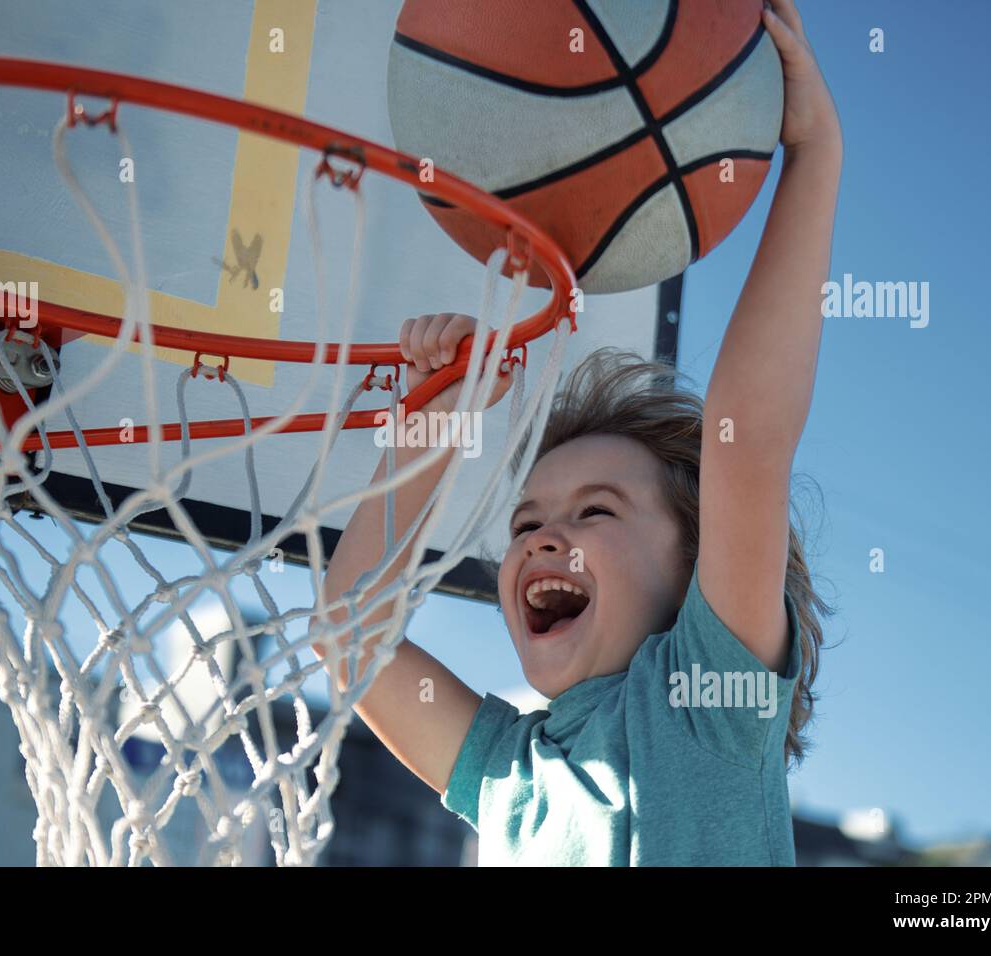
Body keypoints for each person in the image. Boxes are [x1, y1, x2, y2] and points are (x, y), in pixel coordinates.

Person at [313, 0, 840, 865]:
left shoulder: (708, 706)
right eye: (525, 524)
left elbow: (745, 446)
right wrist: (431, 429)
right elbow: (350, 636)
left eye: (597, 511)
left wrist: (814, 157)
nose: (546, 534)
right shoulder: (506, 772)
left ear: (694, 562)